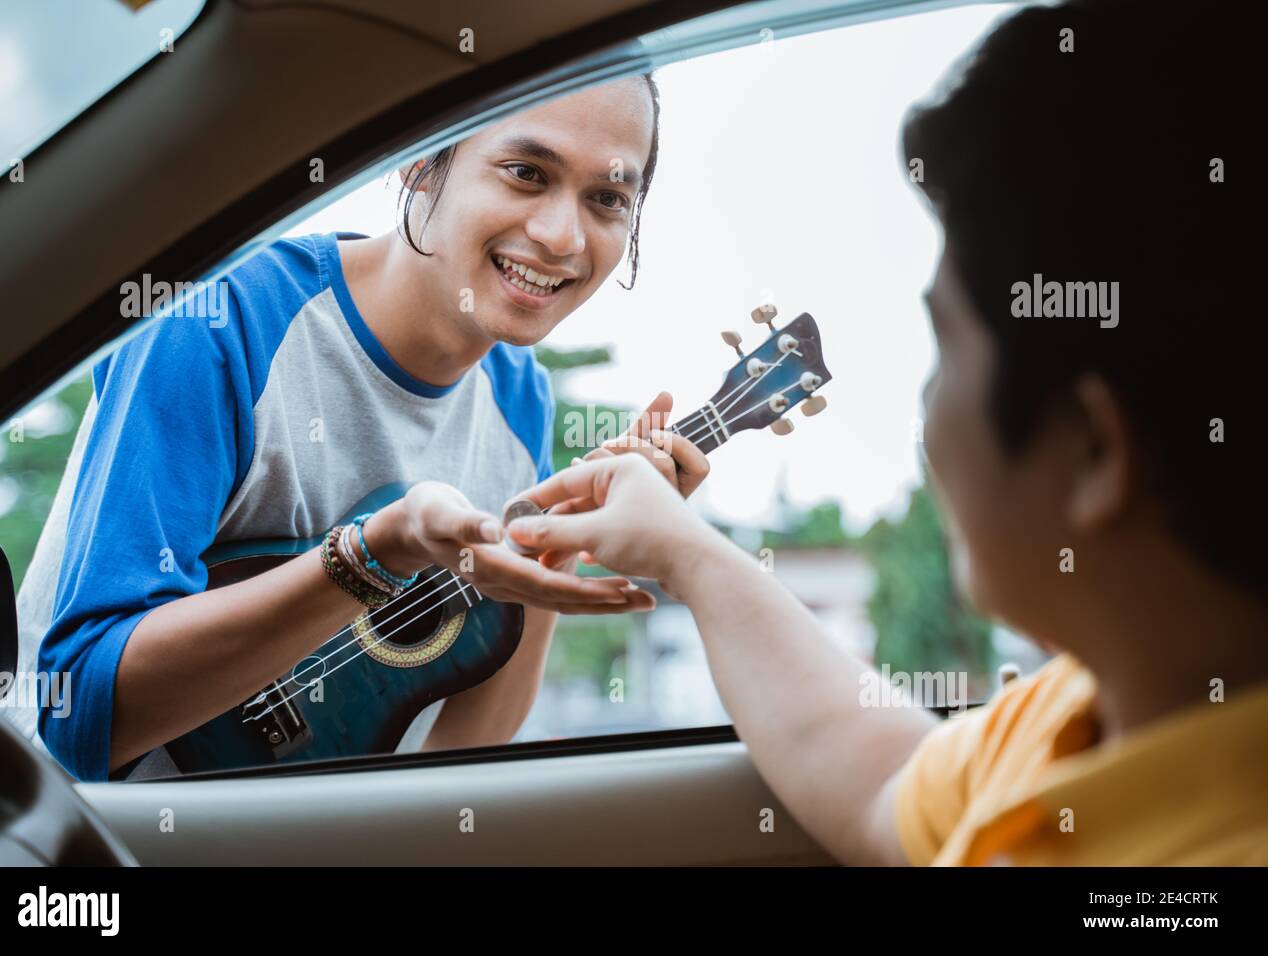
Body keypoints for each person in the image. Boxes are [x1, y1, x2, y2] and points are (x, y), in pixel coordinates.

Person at [505, 0, 1266, 865]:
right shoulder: (1075, 718)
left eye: (945, 351)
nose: (926, 425)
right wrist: (682, 550)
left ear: (1094, 448)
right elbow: (879, 784)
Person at [15, 74, 710, 782]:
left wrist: (559, 546)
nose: (562, 236)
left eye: (607, 199)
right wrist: (374, 556)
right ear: (419, 157)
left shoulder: (518, 397)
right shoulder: (220, 320)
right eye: (525, 173)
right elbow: (82, 721)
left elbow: (459, 757)